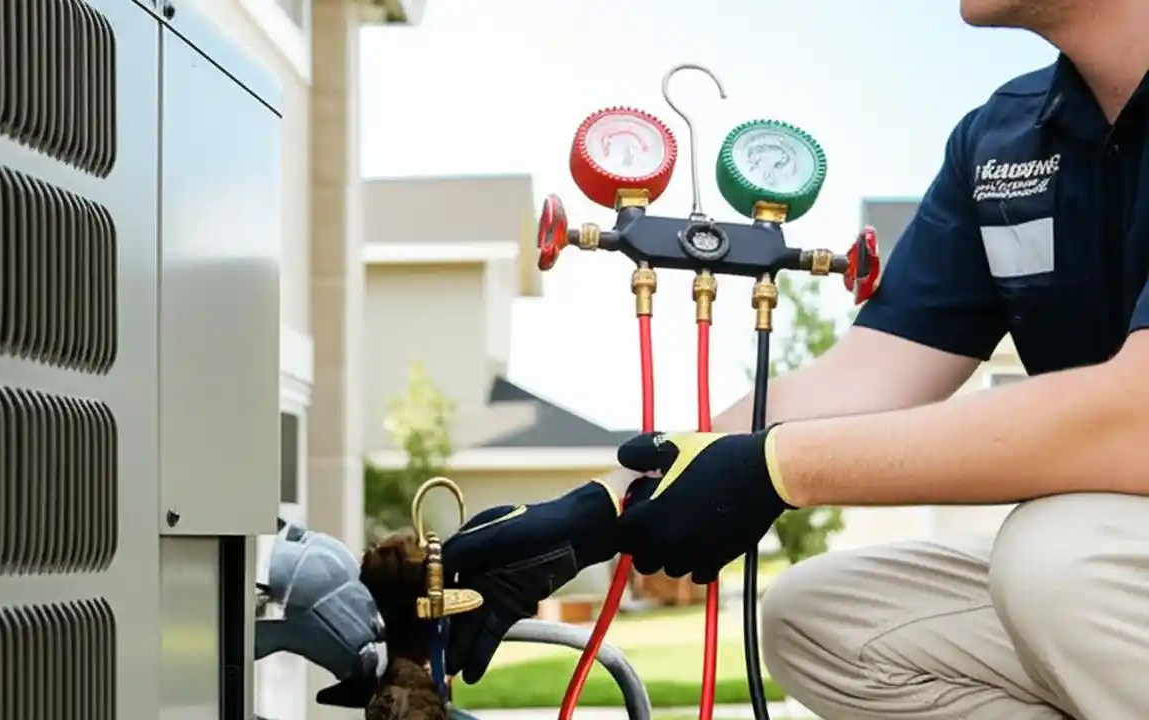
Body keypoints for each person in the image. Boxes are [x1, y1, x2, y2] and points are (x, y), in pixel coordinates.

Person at [440, 1, 1149, 718]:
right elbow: (868, 374)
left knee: (1055, 559)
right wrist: (598, 506)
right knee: (825, 619)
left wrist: (778, 468)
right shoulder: (1007, 139)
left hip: (1088, 558)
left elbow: (1137, 418)